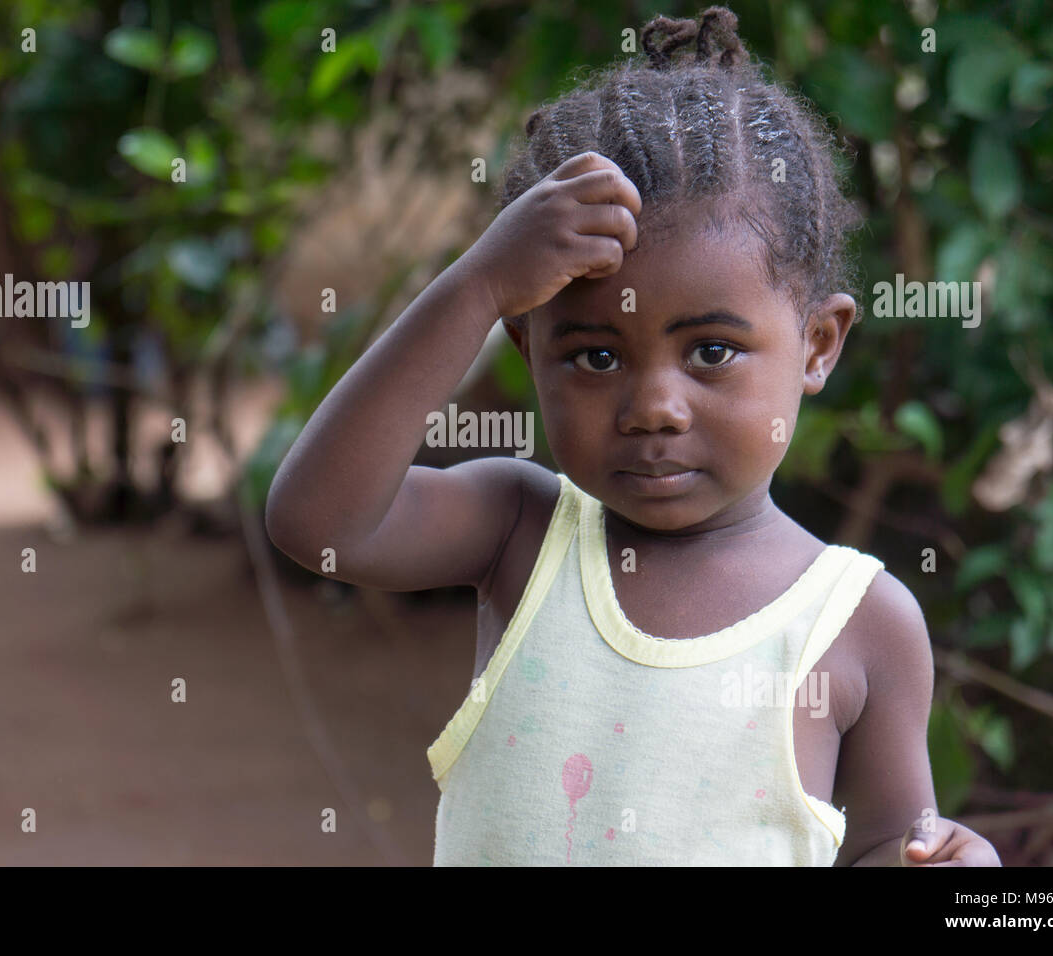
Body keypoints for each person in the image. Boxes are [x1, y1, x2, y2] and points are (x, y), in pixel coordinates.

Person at [265, 6, 1001, 866]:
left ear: (818, 345)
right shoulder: (519, 535)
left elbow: (886, 843)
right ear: (527, 350)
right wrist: (477, 286)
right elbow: (317, 525)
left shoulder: (861, 623)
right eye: (595, 355)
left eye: (713, 351)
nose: (654, 406)